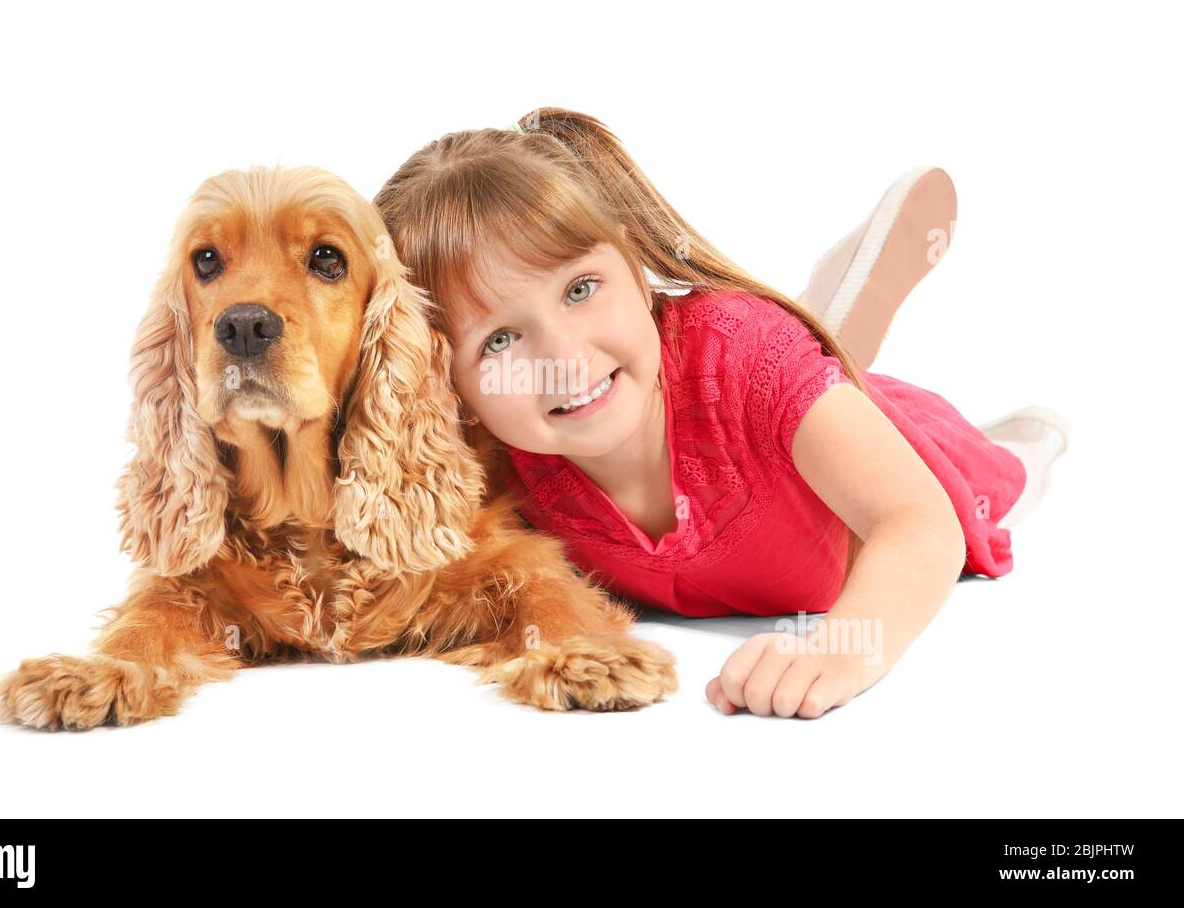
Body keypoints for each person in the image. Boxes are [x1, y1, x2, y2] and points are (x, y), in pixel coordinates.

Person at [372, 107, 1069, 719]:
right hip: (766, 422)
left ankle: (981, 428)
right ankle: (821, 331)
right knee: (795, 378)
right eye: (500, 337)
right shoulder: (497, 461)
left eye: (582, 288)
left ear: (635, 267)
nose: (567, 356)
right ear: (446, 376)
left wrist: (843, 648)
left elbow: (918, 524)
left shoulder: (741, 362)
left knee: (998, 478)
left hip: (888, 446)